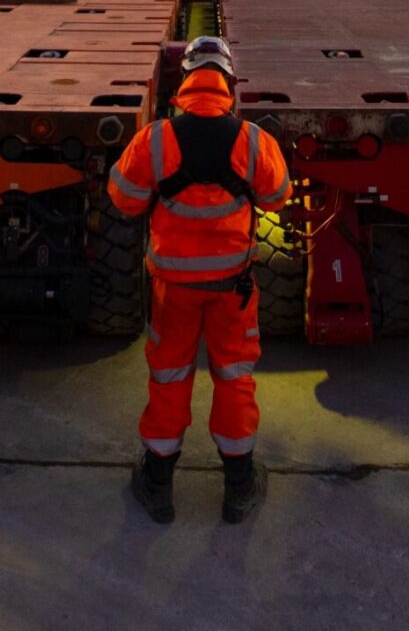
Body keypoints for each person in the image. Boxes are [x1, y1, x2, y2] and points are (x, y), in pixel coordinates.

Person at [107, 33, 291, 525]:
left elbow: (122, 198)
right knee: (234, 378)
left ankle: (158, 486)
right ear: (229, 80)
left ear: (185, 79)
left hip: (173, 291)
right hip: (233, 288)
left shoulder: (156, 139)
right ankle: (238, 488)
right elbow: (277, 197)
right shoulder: (253, 140)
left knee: (168, 377)